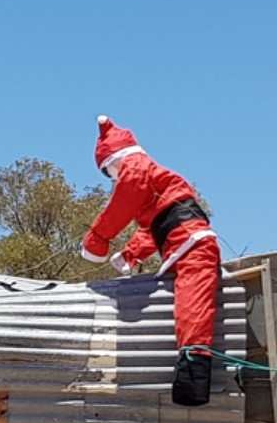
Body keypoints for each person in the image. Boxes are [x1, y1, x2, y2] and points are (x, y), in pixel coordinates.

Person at [77, 115, 221, 406]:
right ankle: (191, 373)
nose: (111, 178)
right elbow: (152, 228)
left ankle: (193, 380)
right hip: (182, 245)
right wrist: (130, 254)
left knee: (192, 307)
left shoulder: (136, 170)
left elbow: (122, 203)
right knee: (188, 305)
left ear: (115, 160)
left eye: (107, 172)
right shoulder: (152, 182)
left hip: (193, 246)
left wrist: (97, 238)